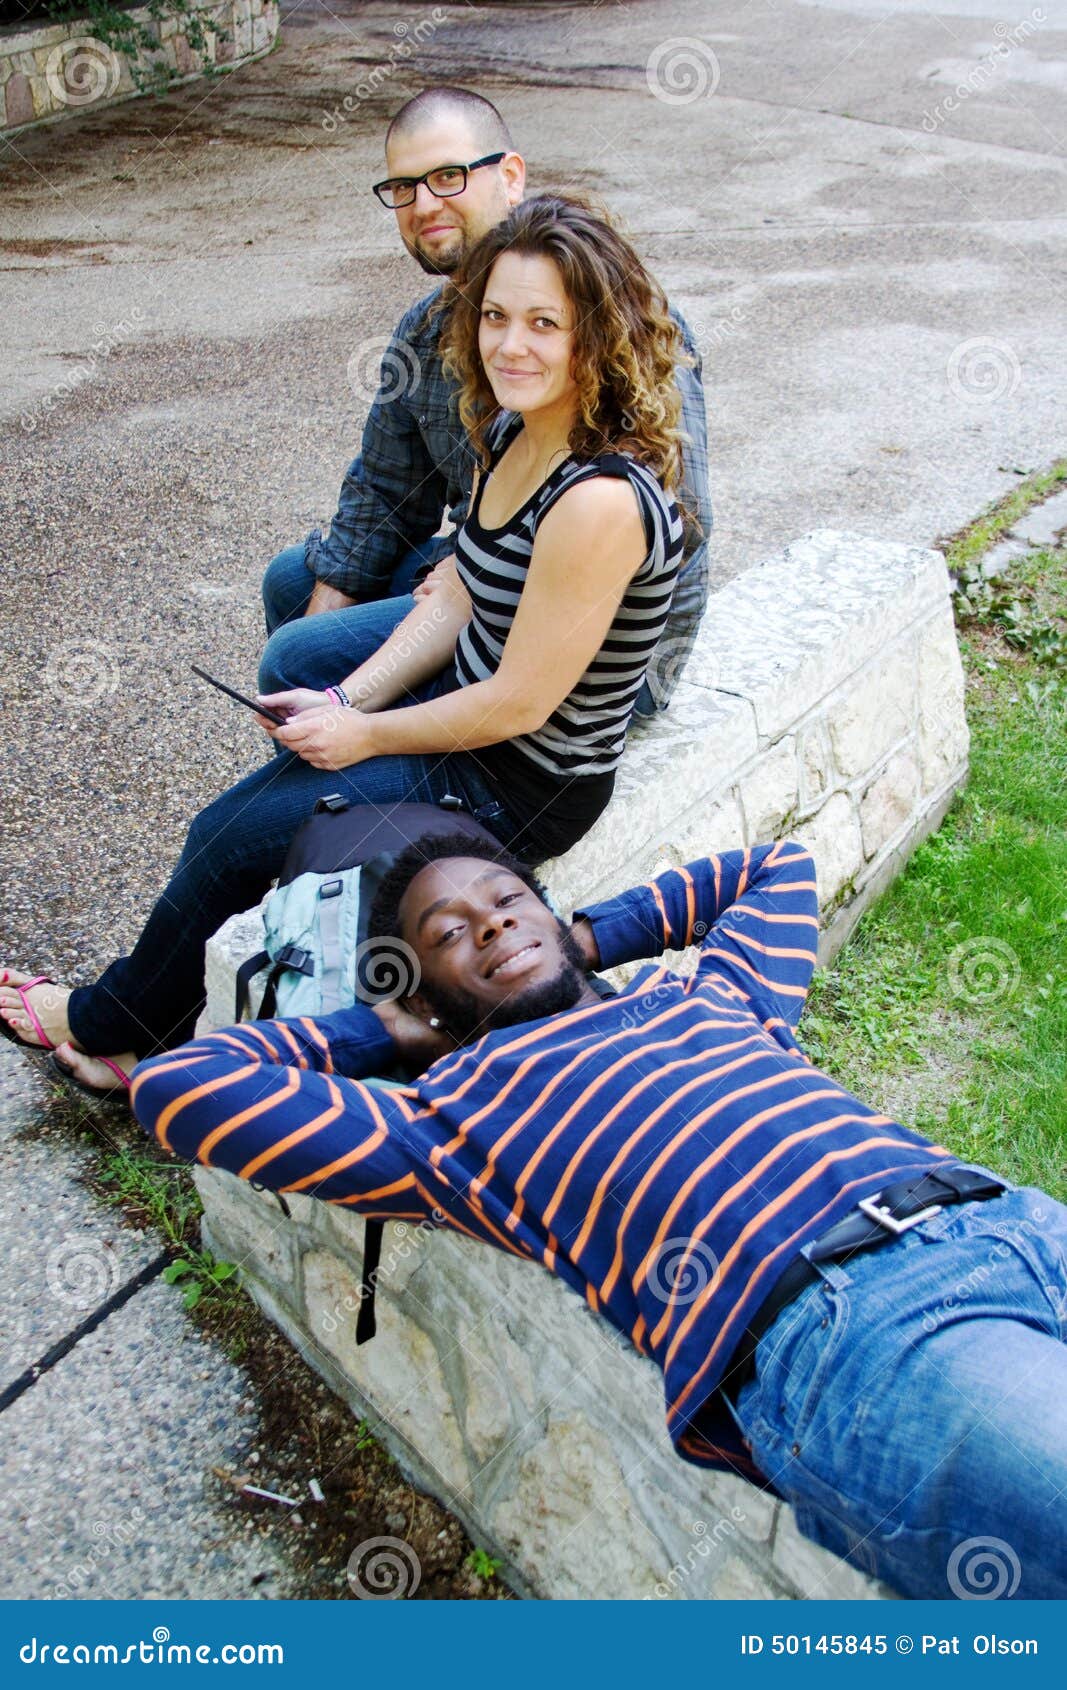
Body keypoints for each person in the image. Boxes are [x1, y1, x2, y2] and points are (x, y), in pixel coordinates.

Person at [129, 831, 1067, 1601]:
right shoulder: (448, 1123)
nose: (491, 922)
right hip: (855, 1333)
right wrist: (392, 1032)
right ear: (423, 990)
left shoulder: (712, 993)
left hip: (1011, 1224)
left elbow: (774, 866)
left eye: (506, 899)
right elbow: (180, 1086)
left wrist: (588, 934)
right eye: (449, 932)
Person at [0, 194, 684, 1093]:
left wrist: (362, 739)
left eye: (543, 324)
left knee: (231, 833)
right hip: (477, 726)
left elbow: (522, 702)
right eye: (494, 317)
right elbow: (453, 594)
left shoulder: (597, 498)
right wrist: (344, 704)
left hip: (525, 779)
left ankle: (111, 1030)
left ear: (594, 337)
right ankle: (146, 1011)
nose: (508, 345)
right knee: (295, 701)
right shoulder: (518, 428)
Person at [258, 84, 712, 720]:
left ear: (511, 176)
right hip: (484, 572)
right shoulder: (425, 334)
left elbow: (677, 526)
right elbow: (384, 496)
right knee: (296, 584)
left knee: (299, 655)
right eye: (404, 188)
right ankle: (336, 773)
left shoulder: (616, 322)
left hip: (598, 646)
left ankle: (346, 781)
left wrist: (329, 652)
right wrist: (331, 622)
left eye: (448, 176)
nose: (424, 205)